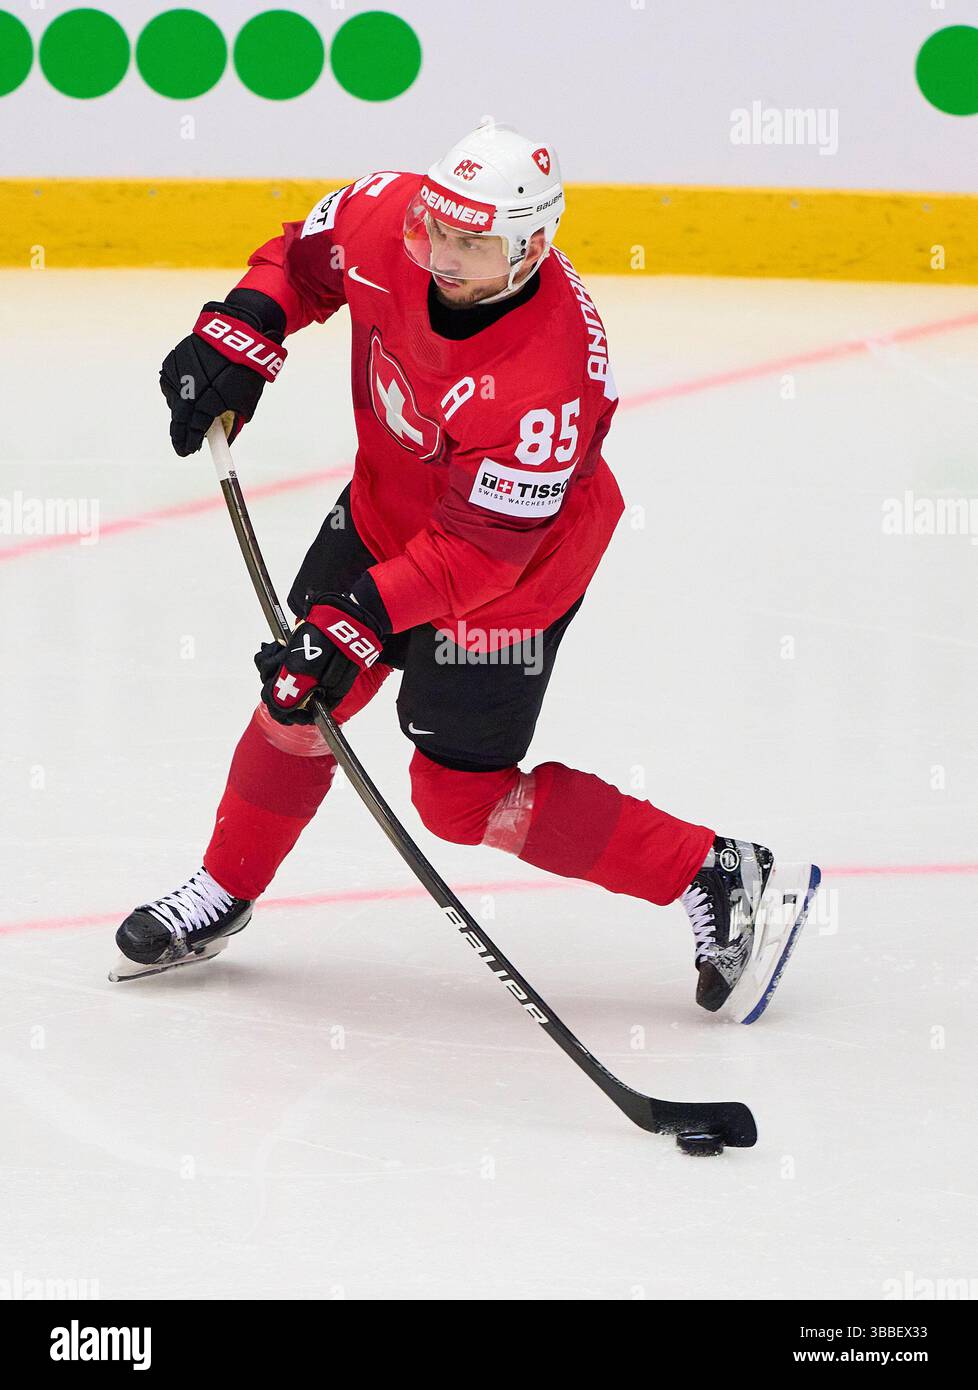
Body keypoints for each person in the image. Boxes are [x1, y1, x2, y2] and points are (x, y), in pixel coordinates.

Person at [113, 119, 819, 1022]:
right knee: (300, 698)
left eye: (472, 244)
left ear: (530, 247)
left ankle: (710, 868)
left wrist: (363, 614)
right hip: (384, 515)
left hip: (512, 583)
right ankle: (223, 887)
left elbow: (483, 554)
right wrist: (244, 329)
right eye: (434, 231)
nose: (442, 255)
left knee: (459, 799)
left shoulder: (548, 377)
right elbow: (302, 264)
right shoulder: (385, 214)